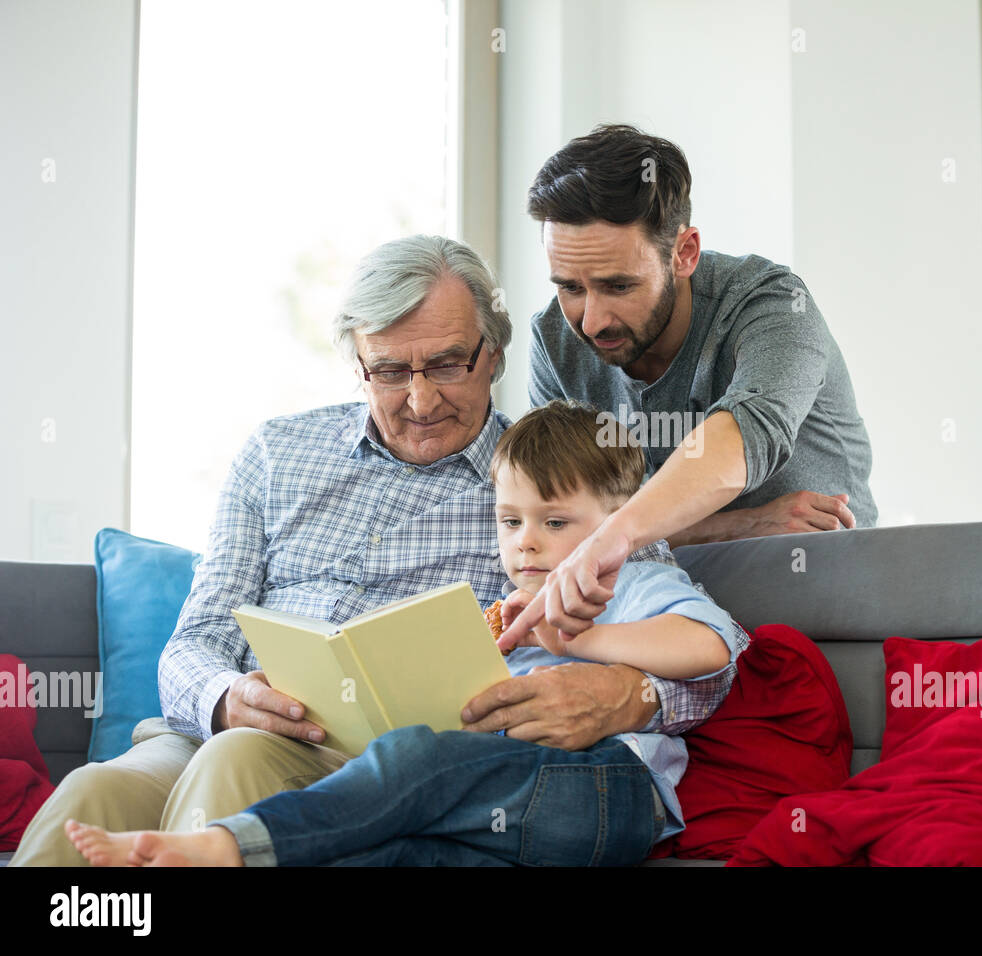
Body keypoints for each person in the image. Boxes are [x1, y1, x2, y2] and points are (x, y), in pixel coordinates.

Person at [12, 235, 746, 866]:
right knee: (94, 792)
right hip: (230, 727)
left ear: (492, 355)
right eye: (390, 371)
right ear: (358, 363)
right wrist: (226, 698)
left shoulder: (548, 480)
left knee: (235, 770)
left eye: (447, 365)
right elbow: (194, 641)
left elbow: (713, 651)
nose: (421, 401)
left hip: (370, 765)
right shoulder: (277, 453)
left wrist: (632, 695)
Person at [65, 400, 745, 866]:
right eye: (510, 523)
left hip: (605, 790)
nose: (528, 544)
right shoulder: (513, 602)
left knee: (418, 760)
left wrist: (580, 641)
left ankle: (230, 845)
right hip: (507, 806)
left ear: (617, 522)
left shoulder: (621, 583)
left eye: (556, 523)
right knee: (375, 849)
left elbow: (710, 646)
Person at [504, 123, 878, 651]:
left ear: (684, 253)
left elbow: (741, 437)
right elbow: (571, 524)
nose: (590, 321)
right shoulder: (554, 340)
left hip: (820, 604)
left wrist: (614, 534)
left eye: (618, 286)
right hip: (649, 617)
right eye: (570, 287)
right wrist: (744, 523)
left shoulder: (771, 306)